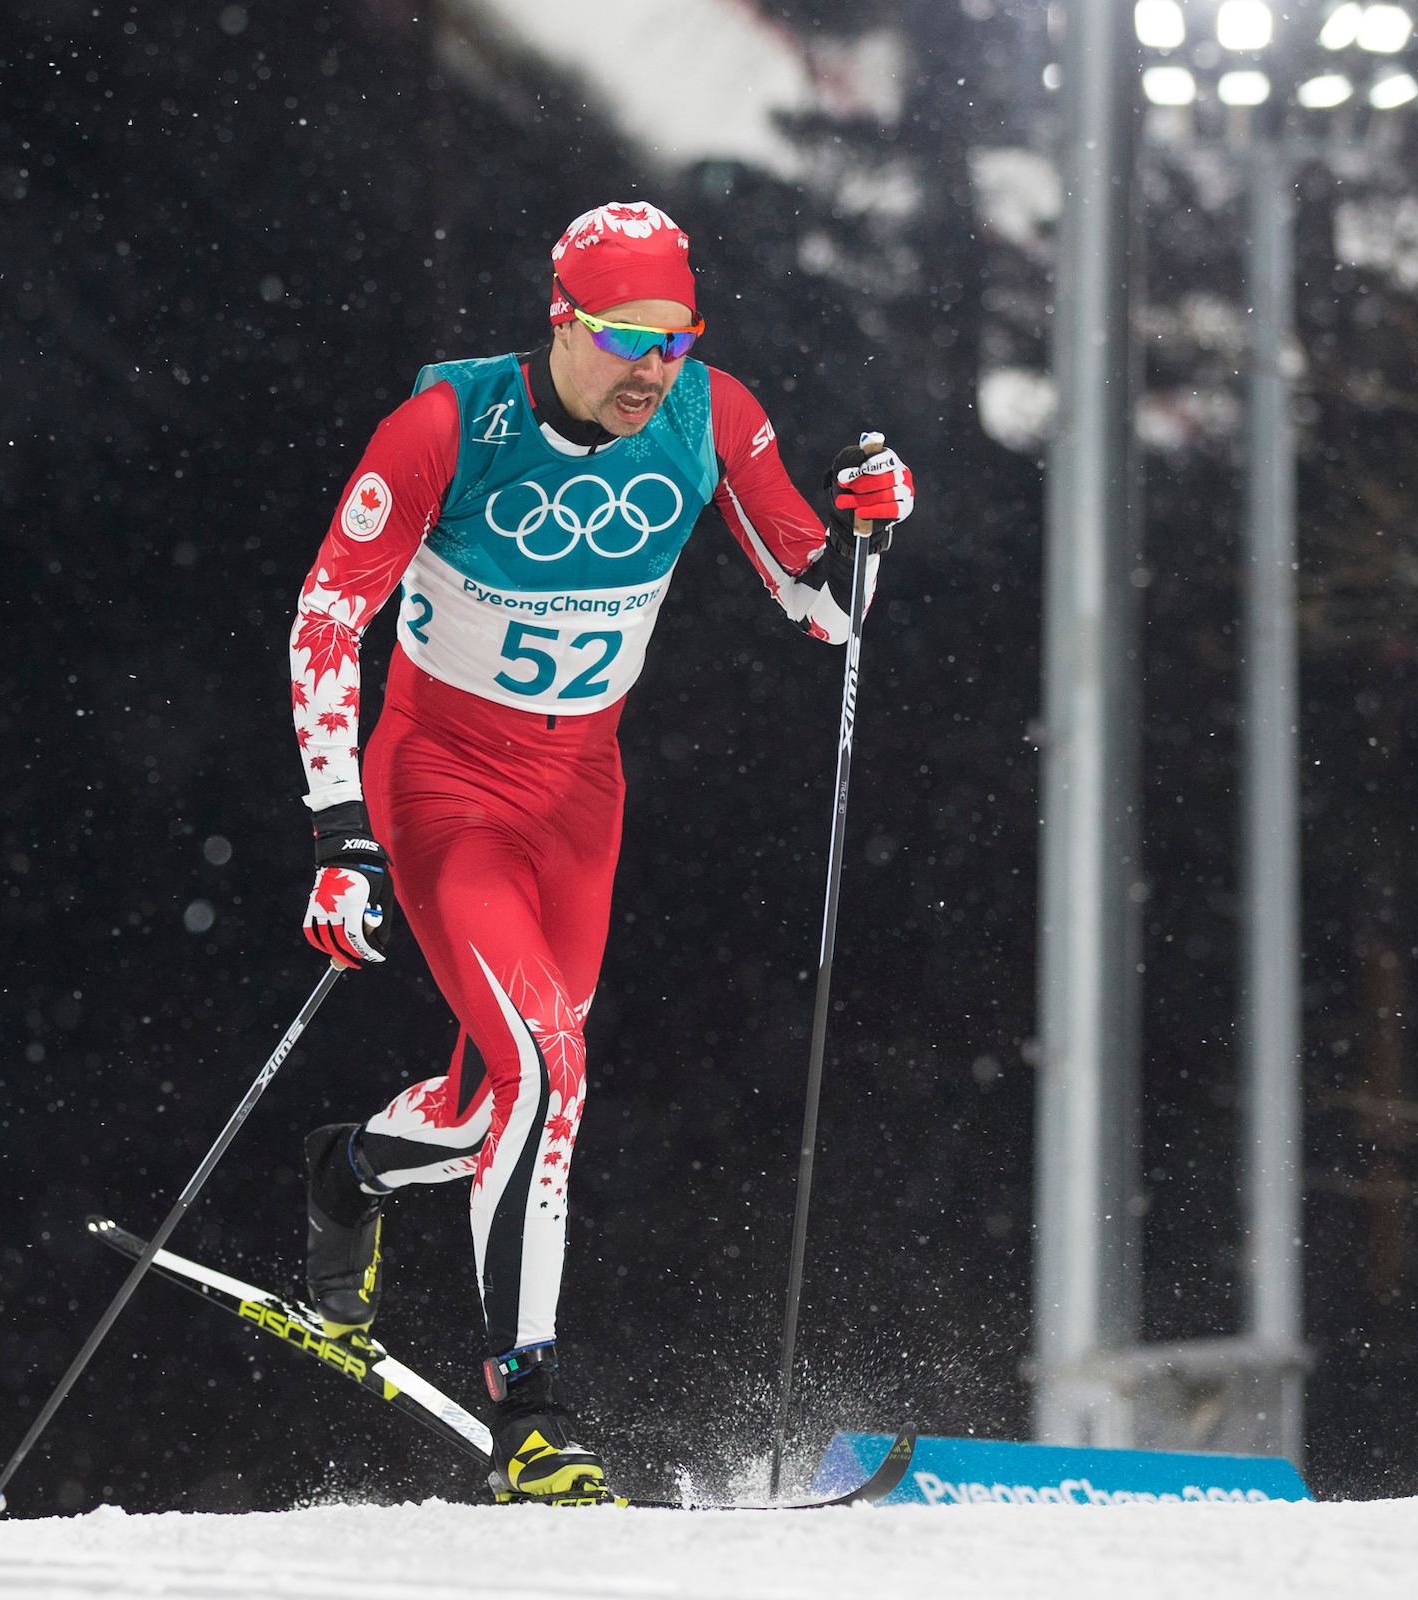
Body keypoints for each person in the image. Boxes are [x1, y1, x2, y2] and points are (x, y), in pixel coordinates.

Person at [285, 200, 913, 1505]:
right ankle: (534, 1418)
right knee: (550, 1077)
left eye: (675, 340)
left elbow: (819, 603)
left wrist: (866, 532)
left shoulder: (707, 415)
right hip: (444, 787)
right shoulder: (448, 427)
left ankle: (354, 1170)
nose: (650, 369)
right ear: (562, 318)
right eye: (627, 337)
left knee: (499, 1102)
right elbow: (325, 619)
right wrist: (341, 833)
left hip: (582, 796)